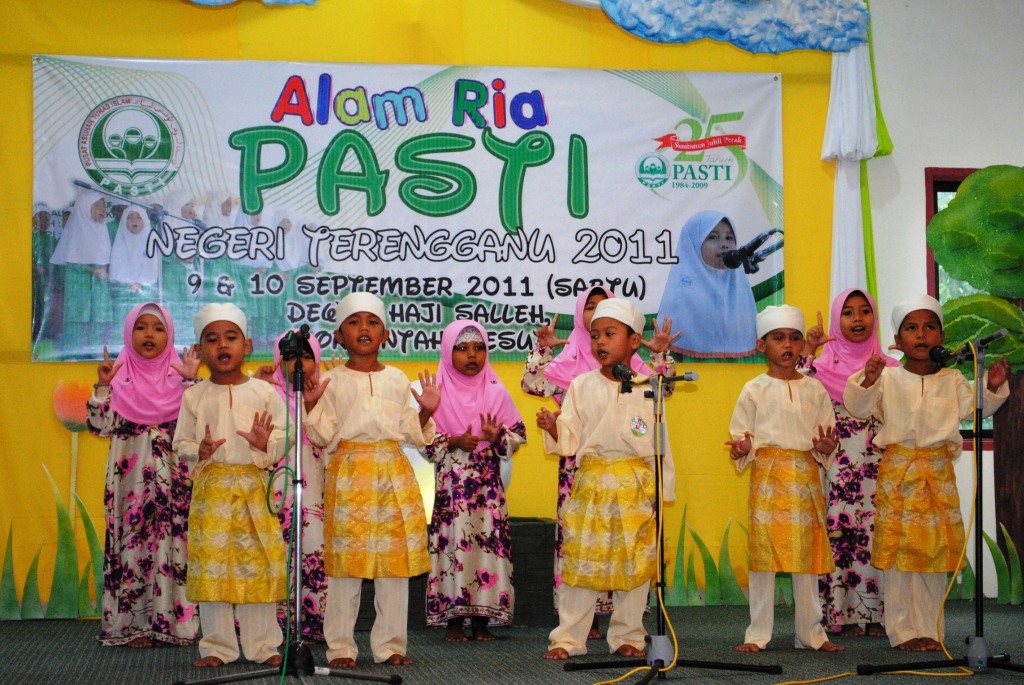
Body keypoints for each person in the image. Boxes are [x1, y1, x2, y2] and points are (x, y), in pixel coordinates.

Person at [843, 294, 1010, 652]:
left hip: (937, 474)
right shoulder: (888, 378)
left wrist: (992, 387)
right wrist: (868, 380)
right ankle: (903, 631)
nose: (921, 335)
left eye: (929, 327)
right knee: (901, 557)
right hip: (899, 474)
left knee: (933, 555)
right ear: (897, 340)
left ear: (942, 336)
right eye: (912, 328)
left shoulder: (952, 378)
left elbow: (974, 409)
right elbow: (856, 407)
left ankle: (931, 630)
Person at [522, 285, 677, 638]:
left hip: (635, 490)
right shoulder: (580, 385)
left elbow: (659, 445)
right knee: (581, 561)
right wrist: (553, 428)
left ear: (634, 341)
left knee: (633, 565)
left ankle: (628, 636)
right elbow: (570, 439)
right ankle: (570, 637)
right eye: (595, 335)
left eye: (610, 334)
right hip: (591, 486)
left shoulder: (647, 387)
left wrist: (662, 493)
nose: (600, 342)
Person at [302, 292, 441, 667]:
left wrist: (426, 411)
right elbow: (320, 435)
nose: (363, 328)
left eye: (372, 322)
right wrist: (312, 403)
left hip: (393, 474)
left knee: (393, 568)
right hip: (348, 477)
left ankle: (391, 646)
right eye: (354, 322)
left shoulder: (397, 379)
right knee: (345, 569)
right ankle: (342, 648)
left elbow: (413, 431)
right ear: (339, 336)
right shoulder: (329, 380)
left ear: (386, 335)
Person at [172, 303, 289, 667]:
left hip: (255, 487)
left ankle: (263, 646)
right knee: (213, 567)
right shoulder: (194, 396)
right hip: (213, 491)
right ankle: (217, 647)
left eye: (231, 337)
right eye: (212, 339)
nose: (222, 345)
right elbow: (180, 443)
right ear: (202, 350)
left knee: (258, 564)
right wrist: (200, 450)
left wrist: (262, 445)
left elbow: (285, 436)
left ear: (247, 344)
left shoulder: (266, 392)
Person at [727, 304, 843, 653]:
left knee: (806, 560)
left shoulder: (815, 389)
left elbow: (828, 439)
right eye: (778, 338)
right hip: (768, 479)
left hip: (805, 479)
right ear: (762, 345)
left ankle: (811, 634)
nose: (788, 345)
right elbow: (739, 437)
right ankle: (757, 634)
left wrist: (826, 446)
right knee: (764, 560)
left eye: (794, 338)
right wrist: (742, 448)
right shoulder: (753, 389)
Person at [87, 302, 200, 648]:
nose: (149, 334)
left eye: (158, 328)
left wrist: (193, 380)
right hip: (129, 486)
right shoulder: (118, 379)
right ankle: (134, 627)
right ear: (128, 333)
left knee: (172, 549)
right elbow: (98, 427)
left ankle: (172, 625)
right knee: (132, 549)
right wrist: (103, 387)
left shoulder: (181, 381)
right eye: (141, 327)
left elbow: (195, 427)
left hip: (173, 485)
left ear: (169, 336)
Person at [800, 289, 901, 637]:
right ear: (836, 320)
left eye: (864, 312)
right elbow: (793, 390)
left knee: (879, 533)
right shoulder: (820, 366)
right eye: (848, 313)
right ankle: (841, 615)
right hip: (840, 462)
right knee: (841, 534)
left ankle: (877, 615)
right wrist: (809, 350)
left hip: (881, 464)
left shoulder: (892, 368)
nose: (857, 319)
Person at [426, 320, 526, 641]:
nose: (473, 355)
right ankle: (454, 622)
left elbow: (517, 435)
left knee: (485, 549)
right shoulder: (436, 392)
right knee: (453, 547)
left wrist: (496, 437)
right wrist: (454, 440)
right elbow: (423, 440)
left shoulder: (496, 390)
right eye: (463, 348)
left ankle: (482, 622)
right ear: (447, 352)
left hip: (486, 488)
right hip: (452, 485)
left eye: (479, 348)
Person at [255, 330, 329, 641]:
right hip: (277, 482)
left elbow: (329, 438)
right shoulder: (266, 394)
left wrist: (311, 406)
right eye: (289, 356)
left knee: (314, 546)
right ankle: (275, 624)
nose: (297, 362)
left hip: (314, 481)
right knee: (277, 549)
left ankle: (314, 622)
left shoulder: (326, 393)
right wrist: (260, 385)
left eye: (305, 356)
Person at [656, 210, 758, 359]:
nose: (724, 245)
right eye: (713, 237)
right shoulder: (678, 299)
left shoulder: (742, 296)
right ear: (692, 245)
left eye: (729, 238)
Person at [50, 188, 114, 352]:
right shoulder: (77, 230)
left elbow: (106, 258)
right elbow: (73, 261)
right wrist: (93, 270)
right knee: (76, 318)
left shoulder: (102, 230)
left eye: (104, 206)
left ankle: (96, 351)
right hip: (79, 283)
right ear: (85, 207)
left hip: (99, 283)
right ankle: (71, 351)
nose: (103, 210)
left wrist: (104, 271)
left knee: (98, 317)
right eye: (98, 206)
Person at [108, 204, 161, 325]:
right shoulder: (120, 242)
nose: (134, 221)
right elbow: (117, 268)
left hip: (145, 291)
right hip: (123, 291)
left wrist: (141, 282)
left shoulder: (150, 241)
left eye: (139, 217)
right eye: (130, 217)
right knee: (123, 324)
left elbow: (152, 268)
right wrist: (129, 282)